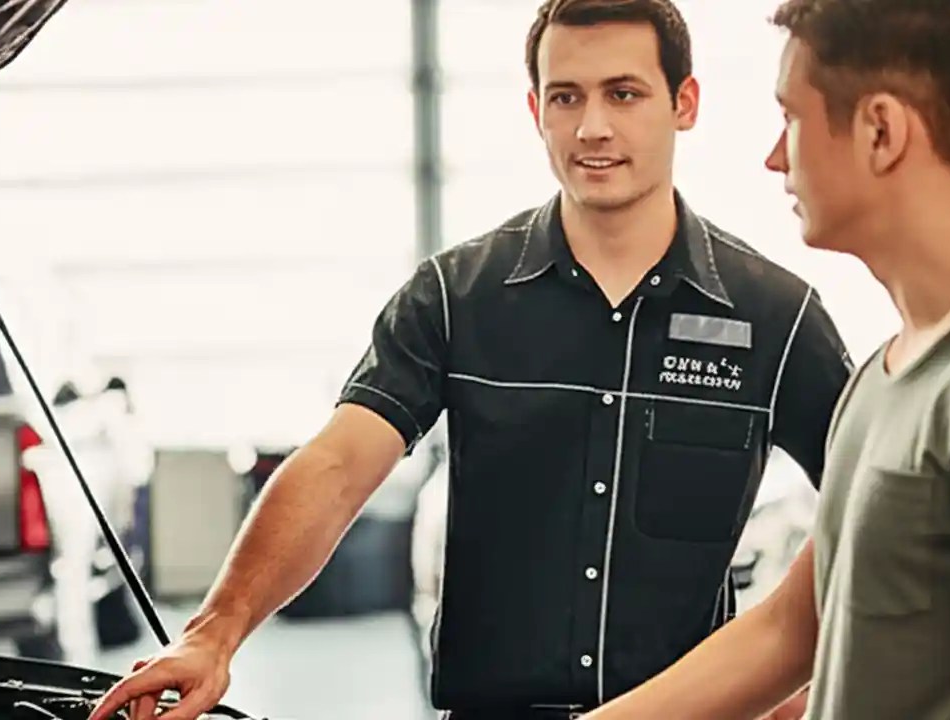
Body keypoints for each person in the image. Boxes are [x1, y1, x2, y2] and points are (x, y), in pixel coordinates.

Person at [87, 1, 852, 718]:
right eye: (565, 97)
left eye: (624, 94)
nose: (591, 128)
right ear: (534, 110)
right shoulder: (455, 298)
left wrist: (805, 698)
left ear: (684, 103)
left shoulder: (774, 319)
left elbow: (875, 520)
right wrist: (214, 633)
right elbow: (338, 466)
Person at [582, 1, 950, 718]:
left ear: (880, 131)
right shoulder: (882, 379)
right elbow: (791, 631)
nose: (775, 156)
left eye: (790, 116)